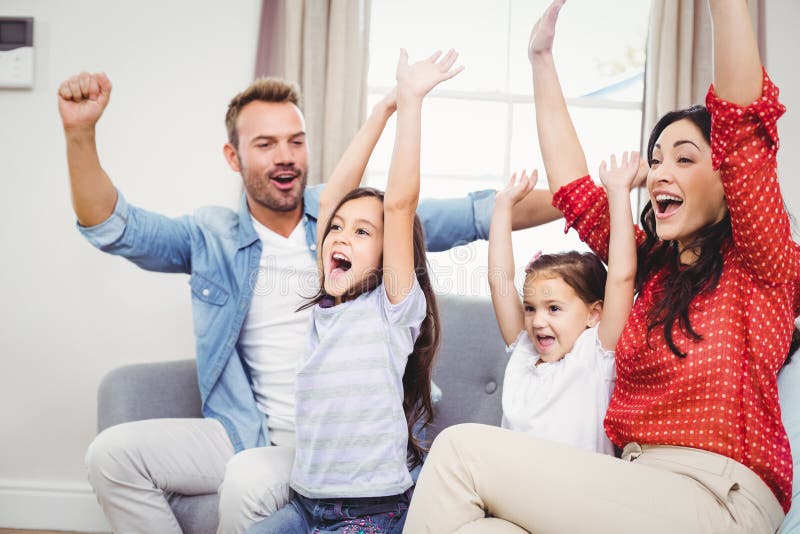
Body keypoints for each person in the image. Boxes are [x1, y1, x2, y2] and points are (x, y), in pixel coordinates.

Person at [57, 68, 561, 531]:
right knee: (112, 454)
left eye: (296, 141)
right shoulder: (212, 236)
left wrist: (580, 199)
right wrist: (80, 134)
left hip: (329, 449)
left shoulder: (353, 228)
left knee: (249, 481)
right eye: (266, 143)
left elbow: (466, 212)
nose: (285, 155)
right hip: (242, 428)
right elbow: (116, 229)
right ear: (234, 156)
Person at [403, 0, 800, 532]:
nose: (660, 172)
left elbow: (743, 126)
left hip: (715, 494)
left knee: (458, 453)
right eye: (655, 158)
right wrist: (540, 60)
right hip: (631, 484)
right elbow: (575, 190)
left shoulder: (762, 264)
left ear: (729, 181)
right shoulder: (653, 269)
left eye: (684, 158)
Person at [242, 47, 462, 534]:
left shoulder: (392, 308)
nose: (340, 236)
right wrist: (380, 111)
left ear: (389, 259)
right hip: (305, 503)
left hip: (371, 509)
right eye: (336, 228)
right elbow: (335, 191)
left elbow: (401, 204)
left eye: (363, 233)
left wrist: (410, 103)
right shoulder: (325, 303)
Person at [487, 154, 639, 455]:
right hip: (514, 490)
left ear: (594, 313)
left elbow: (622, 276)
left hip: (575, 494)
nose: (537, 321)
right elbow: (499, 280)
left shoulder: (594, 355)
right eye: (530, 308)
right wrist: (503, 206)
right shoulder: (524, 351)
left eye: (553, 308)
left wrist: (619, 193)